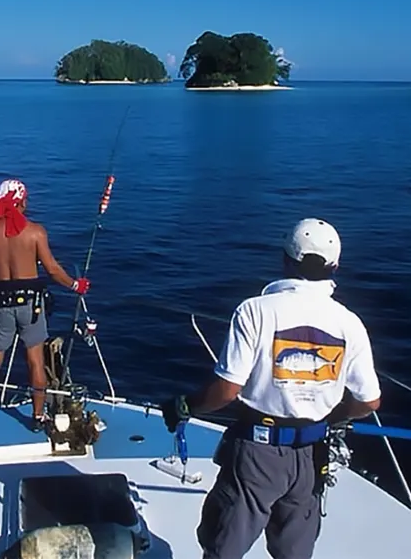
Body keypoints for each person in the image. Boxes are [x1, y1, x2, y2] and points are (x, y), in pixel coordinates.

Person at [160, 218, 381, 559]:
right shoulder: (349, 323)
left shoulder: (254, 311)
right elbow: (370, 401)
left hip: (257, 453)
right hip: (313, 455)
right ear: (336, 266)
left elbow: (226, 391)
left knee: (224, 547)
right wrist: (333, 415)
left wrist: (184, 406)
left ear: (286, 259)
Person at [0, 178, 89, 436]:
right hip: (31, 306)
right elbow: (53, 270)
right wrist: (75, 285)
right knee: (35, 361)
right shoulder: (36, 232)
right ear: (20, 201)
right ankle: (37, 417)